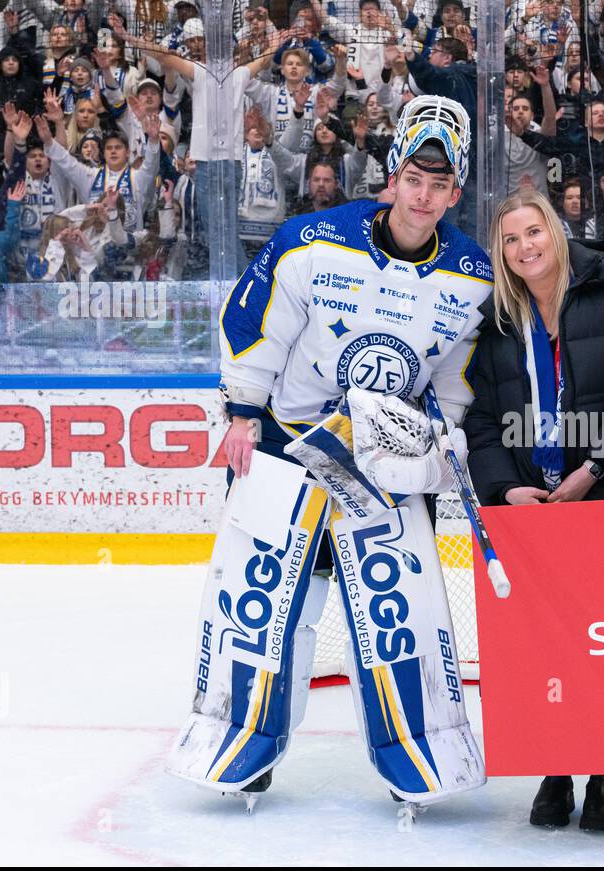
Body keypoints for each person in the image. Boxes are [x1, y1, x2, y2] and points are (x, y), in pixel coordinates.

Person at [167, 95, 494, 809]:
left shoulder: (471, 274)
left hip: (381, 457)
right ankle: (242, 736)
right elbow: (255, 325)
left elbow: (456, 375)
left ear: (455, 193)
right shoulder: (312, 241)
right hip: (287, 442)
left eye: (439, 185)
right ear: (392, 177)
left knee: (392, 601)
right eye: (414, 179)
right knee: (267, 596)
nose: (424, 196)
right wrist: (242, 412)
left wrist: (441, 437)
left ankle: (418, 745)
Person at [463, 187, 604, 832]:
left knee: (601, 641)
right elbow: (483, 417)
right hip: (532, 511)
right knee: (544, 644)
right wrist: (504, 489)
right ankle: (555, 766)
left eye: (533, 232)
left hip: (601, 498)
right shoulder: (498, 319)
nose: (525, 247)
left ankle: (603, 771)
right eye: (511, 240)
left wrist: (596, 469)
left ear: (555, 231)